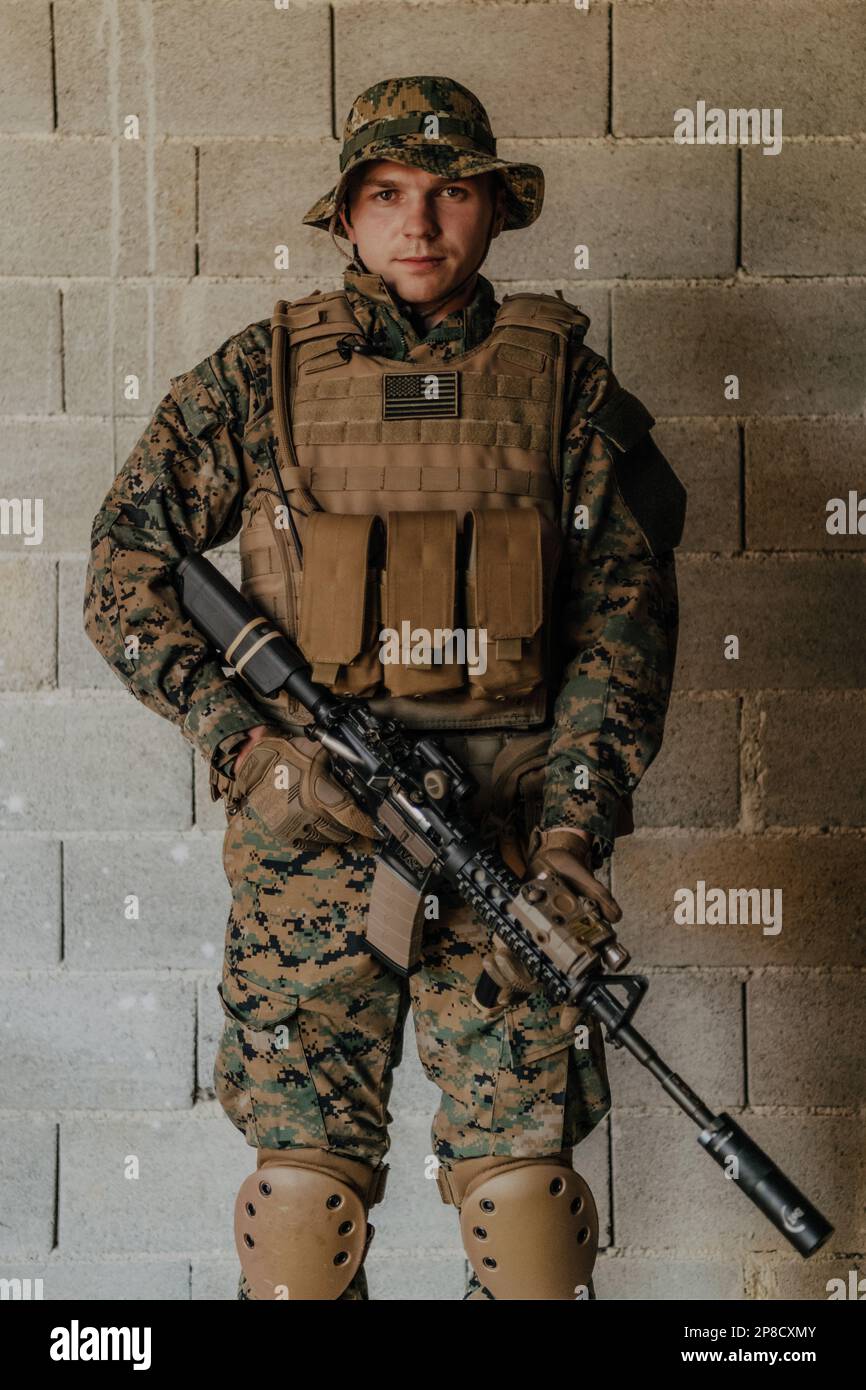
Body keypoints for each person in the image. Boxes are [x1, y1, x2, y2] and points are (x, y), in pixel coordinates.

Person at [84, 75, 686, 1301]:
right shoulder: (260, 380)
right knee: (301, 1225)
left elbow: (620, 626)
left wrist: (572, 830)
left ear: (491, 212)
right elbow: (123, 568)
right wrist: (249, 750)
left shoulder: (565, 393)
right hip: (309, 854)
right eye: (387, 195)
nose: (419, 224)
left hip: (507, 859)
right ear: (348, 216)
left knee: (526, 1229)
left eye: (448, 192)